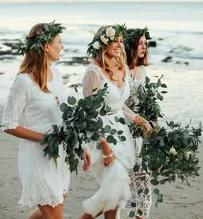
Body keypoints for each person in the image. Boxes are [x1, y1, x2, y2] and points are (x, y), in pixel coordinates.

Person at [79, 24, 152, 219]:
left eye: (121, 41)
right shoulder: (93, 72)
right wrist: (105, 147)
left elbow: (119, 105)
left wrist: (139, 119)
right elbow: (88, 113)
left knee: (116, 199)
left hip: (122, 134)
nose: (119, 45)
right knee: (114, 191)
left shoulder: (124, 68)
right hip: (100, 136)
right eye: (114, 41)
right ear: (102, 43)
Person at [1, 21, 70, 219]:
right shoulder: (23, 81)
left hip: (59, 155)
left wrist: (78, 146)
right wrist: (45, 138)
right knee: (54, 215)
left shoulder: (56, 73)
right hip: (37, 156)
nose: (62, 47)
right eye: (59, 42)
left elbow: (60, 113)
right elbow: (8, 124)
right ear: (47, 46)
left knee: (46, 212)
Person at [125, 27, 152, 219]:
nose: (144, 46)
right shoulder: (122, 70)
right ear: (130, 46)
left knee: (144, 181)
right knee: (130, 182)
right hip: (125, 130)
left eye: (145, 43)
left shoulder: (142, 70)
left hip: (142, 131)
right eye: (140, 43)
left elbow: (147, 102)